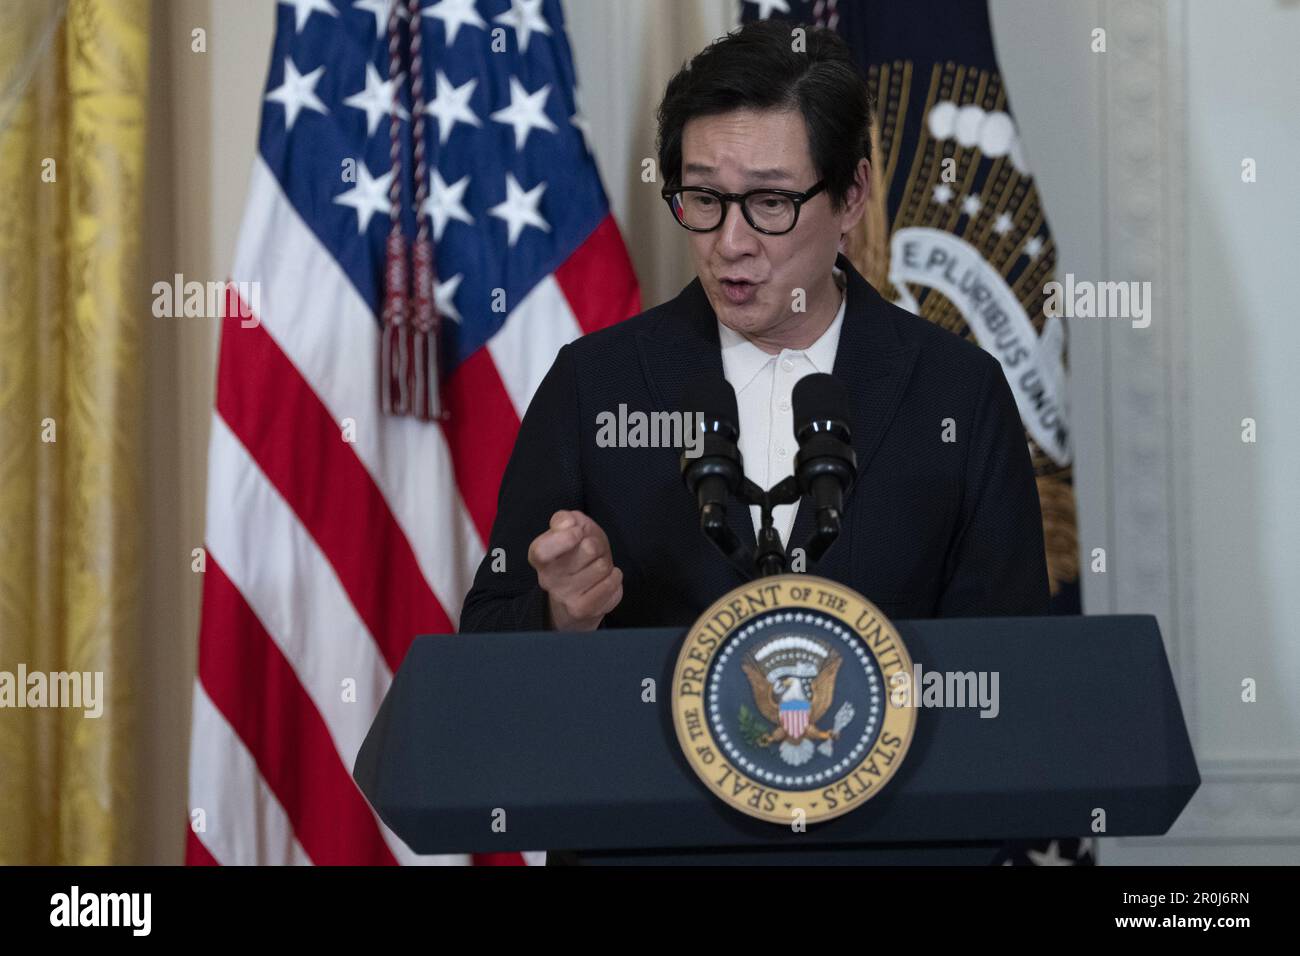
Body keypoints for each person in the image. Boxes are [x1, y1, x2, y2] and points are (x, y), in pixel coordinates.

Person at [459, 18, 1048, 635]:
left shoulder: (959, 392)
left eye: (770, 202)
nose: (729, 243)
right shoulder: (595, 385)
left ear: (851, 196)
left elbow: (1013, 663)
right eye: (705, 198)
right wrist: (559, 613)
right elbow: (487, 643)